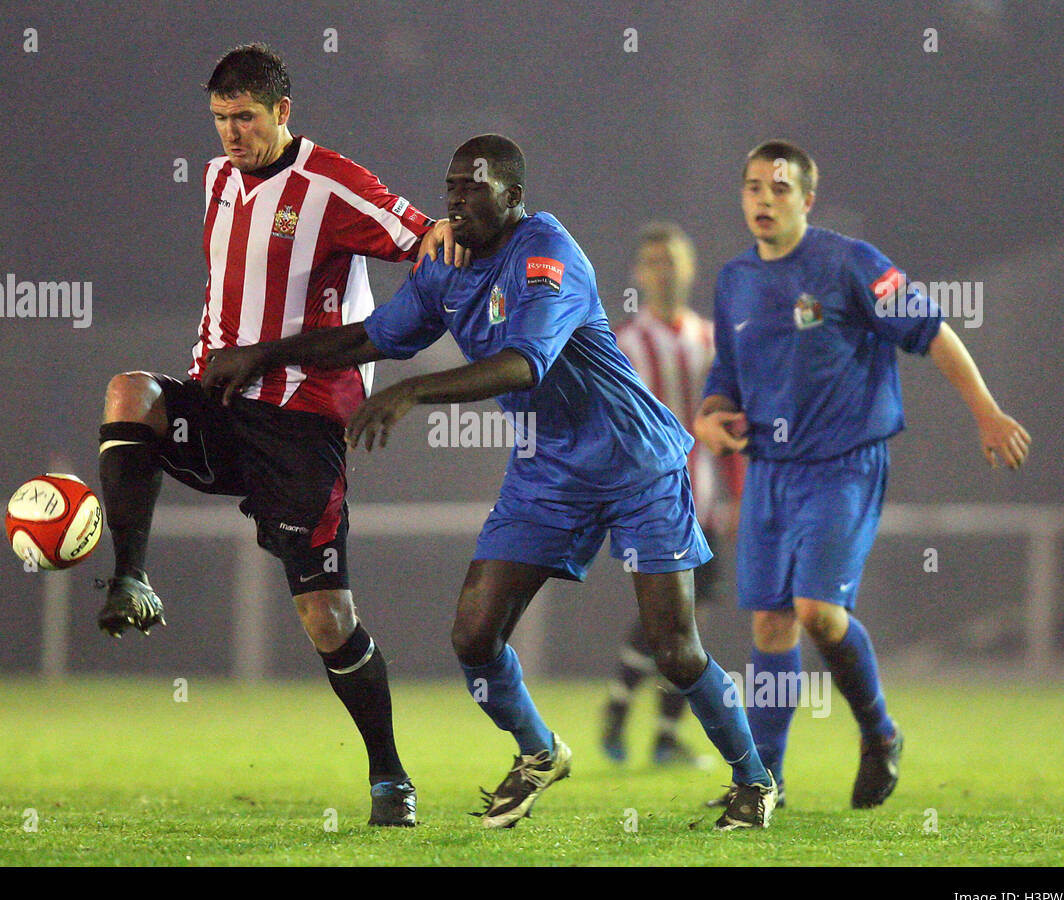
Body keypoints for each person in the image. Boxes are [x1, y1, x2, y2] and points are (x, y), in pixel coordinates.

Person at [204, 134, 780, 831]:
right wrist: (264, 354)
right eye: (450, 187)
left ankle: (754, 779)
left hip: (636, 463)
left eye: (473, 189)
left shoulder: (547, 254)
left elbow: (523, 363)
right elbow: (368, 339)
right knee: (474, 635)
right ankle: (539, 752)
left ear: (513, 198)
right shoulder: (445, 266)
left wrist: (413, 392)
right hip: (548, 471)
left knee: (674, 648)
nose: (455, 200)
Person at [94, 44, 458, 827]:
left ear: (282, 112)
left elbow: (425, 236)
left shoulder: (332, 182)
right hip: (221, 405)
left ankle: (390, 776)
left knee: (326, 618)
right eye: (221, 118)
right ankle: (131, 579)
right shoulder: (218, 177)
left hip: (301, 422)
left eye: (246, 118)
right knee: (130, 393)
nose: (232, 133)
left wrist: (470, 258)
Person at [695, 140, 1031, 810]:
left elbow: (931, 329)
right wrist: (709, 418)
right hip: (767, 470)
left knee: (817, 612)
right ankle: (764, 780)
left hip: (844, 465)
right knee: (769, 626)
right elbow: (724, 379)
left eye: (781, 188)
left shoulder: (849, 262)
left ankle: (879, 733)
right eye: (754, 186)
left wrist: (987, 411)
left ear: (807, 199)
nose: (765, 198)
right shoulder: (734, 280)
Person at [602, 222, 745, 767]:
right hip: (651, 494)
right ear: (639, 273)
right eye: (652, 262)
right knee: (668, 614)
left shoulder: (711, 339)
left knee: (692, 614)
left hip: (704, 494)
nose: (662, 271)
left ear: (688, 268)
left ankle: (657, 732)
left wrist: (735, 492)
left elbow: (730, 422)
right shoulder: (623, 344)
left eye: (671, 261)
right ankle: (629, 715)